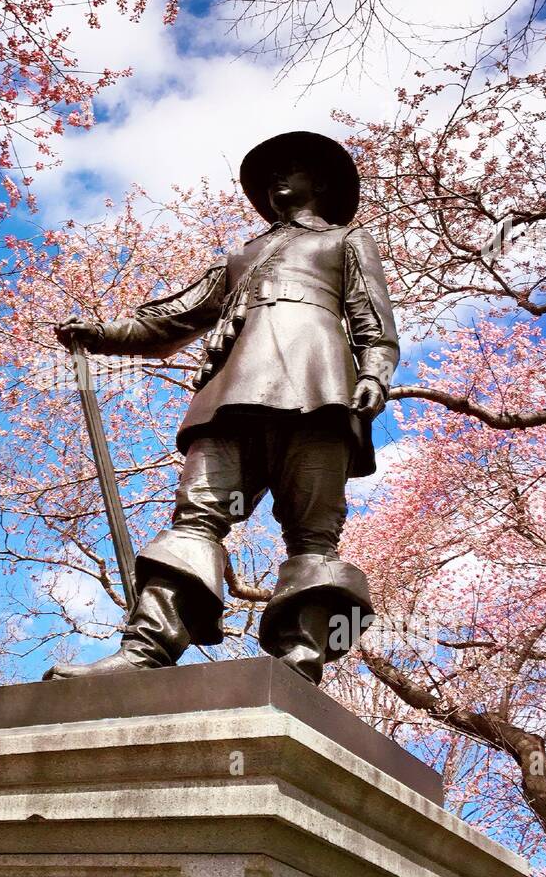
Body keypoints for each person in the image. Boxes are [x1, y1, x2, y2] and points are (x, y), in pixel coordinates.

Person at [45, 131, 400, 686]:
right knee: (195, 515)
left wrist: (375, 374)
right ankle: (147, 648)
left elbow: (374, 323)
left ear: (322, 182)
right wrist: (102, 332)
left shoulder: (345, 241)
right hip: (232, 395)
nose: (277, 180)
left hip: (319, 386)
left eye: (293, 169)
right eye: (269, 175)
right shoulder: (243, 257)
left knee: (312, 532)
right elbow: (174, 319)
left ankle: (301, 654)